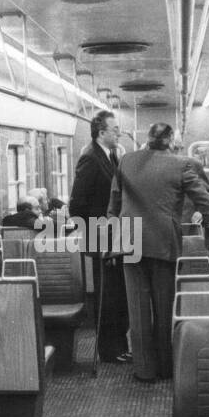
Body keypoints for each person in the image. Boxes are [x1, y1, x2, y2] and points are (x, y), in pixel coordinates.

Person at [108, 122, 209, 383]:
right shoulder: (181, 165)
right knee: (164, 307)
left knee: (138, 310)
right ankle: (166, 368)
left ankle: (144, 370)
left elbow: (112, 206)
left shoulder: (126, 161)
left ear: (148, 139)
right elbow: (208, 206)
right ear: (169, 140)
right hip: (163, 244)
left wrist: (112, 244)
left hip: (129, 243)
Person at [69, 111, 130, 363]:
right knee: (108, 296)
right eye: (115, 129)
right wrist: (98, 234)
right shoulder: (91, 159)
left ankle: (118, 346)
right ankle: (109, 351)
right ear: (101, 132)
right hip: (102, 238)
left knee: (117, 293)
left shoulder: (111, 156)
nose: (119, 133)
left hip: (114, 237)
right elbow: (77, 205)